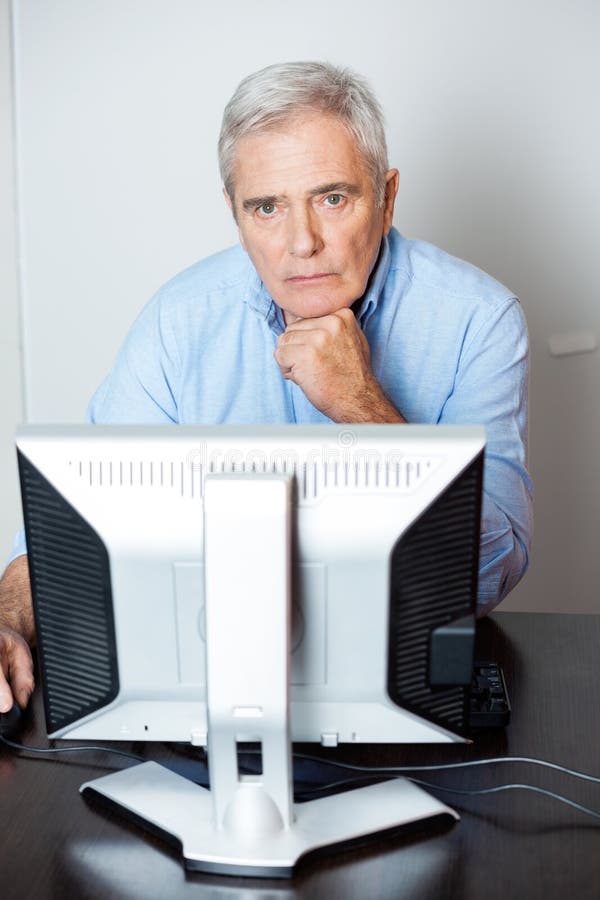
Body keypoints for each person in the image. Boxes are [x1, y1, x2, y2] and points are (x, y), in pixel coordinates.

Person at [0, 61, 532, 714]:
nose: (301, 243)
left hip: (404, 687)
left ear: (387, 197)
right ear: (234, 212)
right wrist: (8, 622)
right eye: (267, 207)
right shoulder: (178, 322)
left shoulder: (479, 320)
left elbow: (490, 572)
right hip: (208, 685)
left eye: (332, 198)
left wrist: (361, 405)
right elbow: (75, 526)